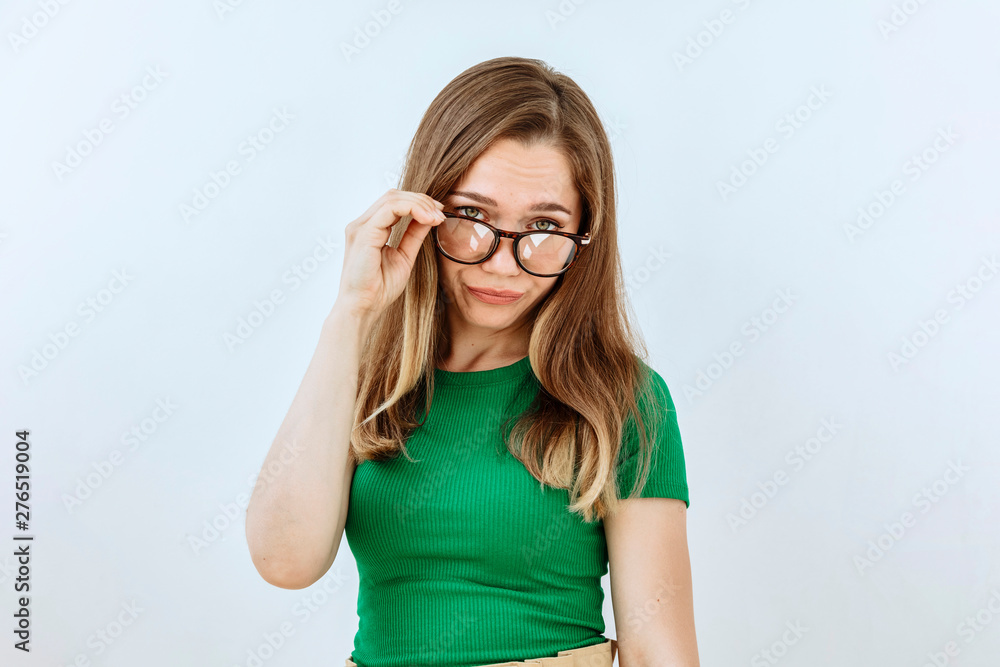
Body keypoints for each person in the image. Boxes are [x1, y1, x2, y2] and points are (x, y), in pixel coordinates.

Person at [245, 56, 699, 667]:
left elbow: (659, 652)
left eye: (544, 226)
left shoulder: (621, 398)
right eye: (472, 218)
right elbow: (284, 561)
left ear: (584, 238)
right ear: (423, 213)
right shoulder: (367, 379)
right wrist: (350, 313)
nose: (504, 264)